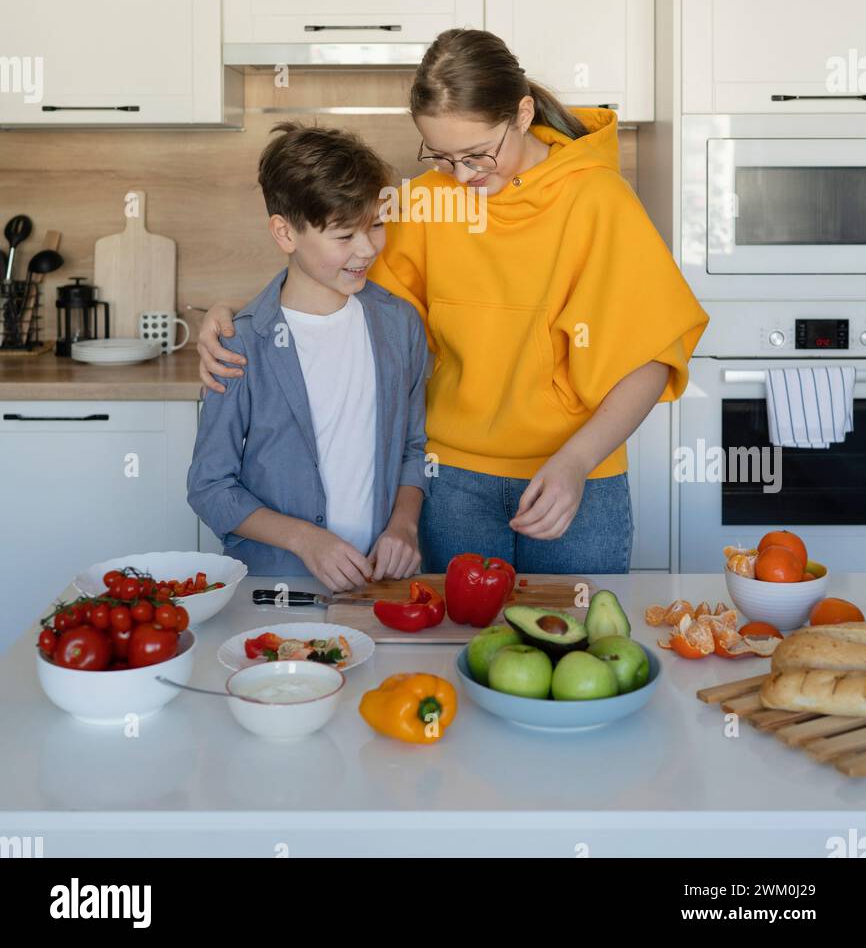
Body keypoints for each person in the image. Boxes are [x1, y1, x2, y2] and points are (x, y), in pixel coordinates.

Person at [197, 29, 710, 575]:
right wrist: (231, 316)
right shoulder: (424, 201)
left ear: (522, 113)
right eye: (442, 157)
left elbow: (651, 357)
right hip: (450, 482)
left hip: (578, 477)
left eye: (476, 154)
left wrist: (577, 462)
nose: (463, 177)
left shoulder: (599, 201)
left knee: (579, 647)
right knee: (457, 652)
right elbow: (329, 269)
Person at [186, 122, 430, 592]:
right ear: (285, 233)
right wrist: (305, 540)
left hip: (381, 585)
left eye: (376, 225)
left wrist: (404, 525)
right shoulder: (238, 343)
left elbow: (413, 449)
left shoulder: (400, 326)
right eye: (343, 236)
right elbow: (210, 487)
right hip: (275, 588)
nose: (367, 249)